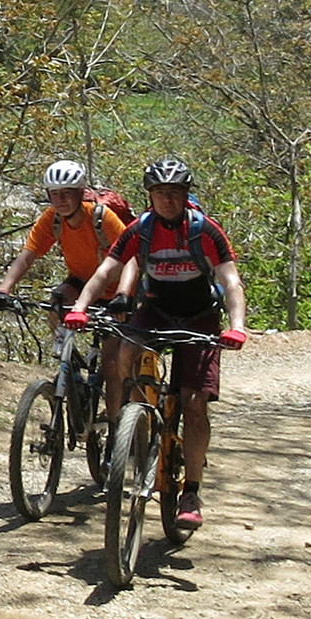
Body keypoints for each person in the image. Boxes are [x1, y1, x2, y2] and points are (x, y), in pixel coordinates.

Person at [65, 157, 248, 530]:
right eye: (161, 193)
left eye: (174, 192)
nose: (167, 199)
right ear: (150, 197)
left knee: (195, 404)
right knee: (122, 354)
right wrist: (80, 308)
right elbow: (105, 272)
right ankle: (135, 421)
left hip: (200, 316)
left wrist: (237, 326)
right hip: (156, 310)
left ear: (185, 195)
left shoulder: (205, 231)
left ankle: (191, 491)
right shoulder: (140, 230)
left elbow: (231, 282)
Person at [0, 160, 131, 402]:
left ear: (80, 193)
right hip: (81, 282)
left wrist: (123, 296)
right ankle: (72, 373)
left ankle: (115, 431)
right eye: (54, 194)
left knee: (111, 366)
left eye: (67, 193)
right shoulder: (52, 219)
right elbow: (27, 256)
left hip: (116, 291)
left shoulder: (102, 217)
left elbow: (131, 257)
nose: (60, 200)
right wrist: (4, 290)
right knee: (57, 302)